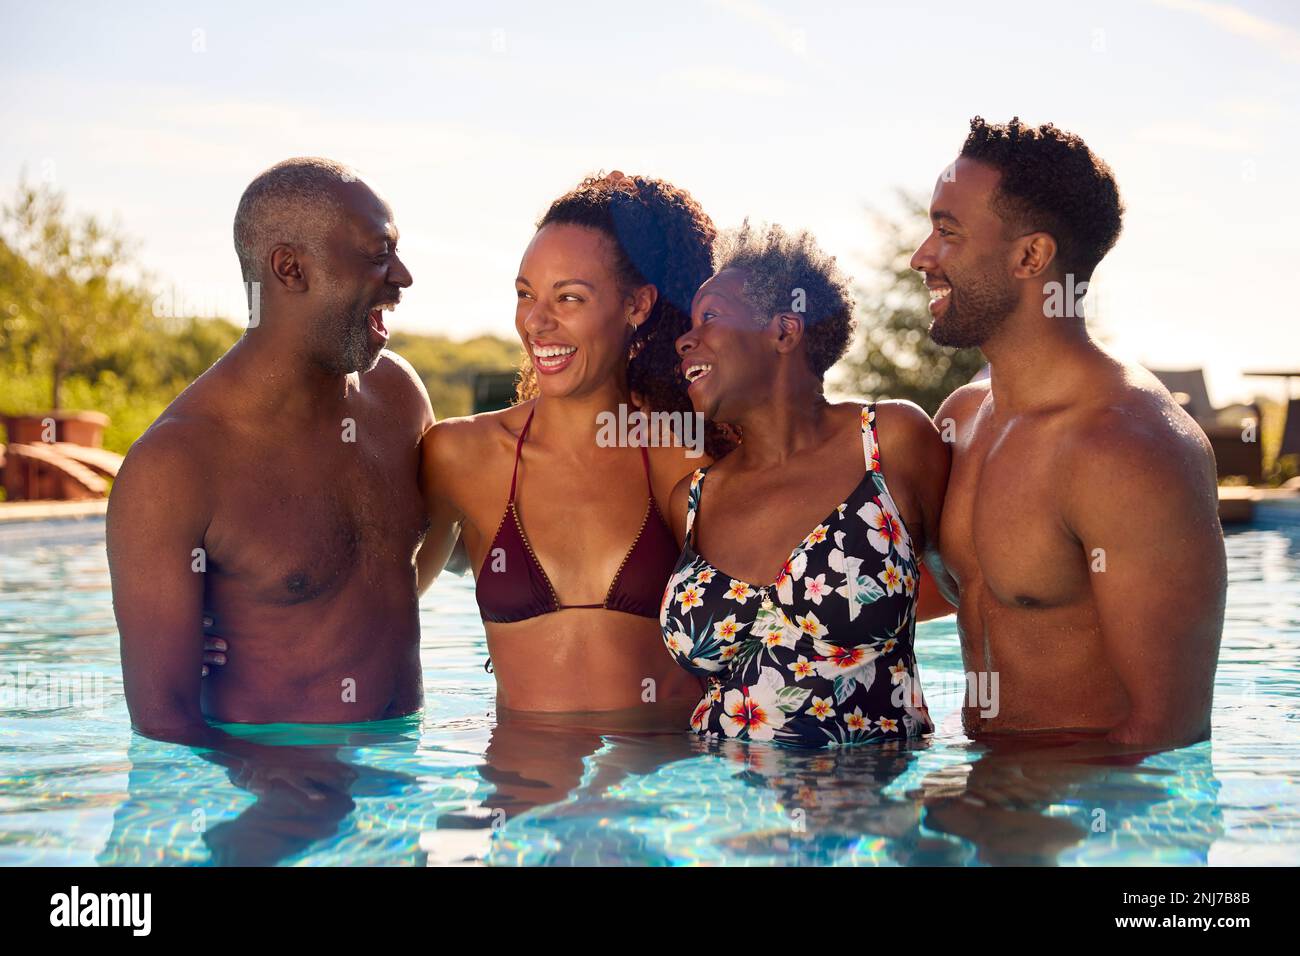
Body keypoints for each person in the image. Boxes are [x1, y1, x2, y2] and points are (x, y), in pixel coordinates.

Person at [107, 158, 431, 771]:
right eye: (377, 254)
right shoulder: (176, 466)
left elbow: (400, 563)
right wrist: (282, 788)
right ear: (291, 268)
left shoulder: (400, 397)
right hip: (271, 795)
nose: (403, 277)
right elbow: (163, 722)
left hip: (406, 773)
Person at [913, 117, 1226, 749]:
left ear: (1032, 255)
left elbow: (1167, 730)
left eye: (947, 231)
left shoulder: (1128, 448)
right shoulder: (962, 417)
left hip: (1078, 822)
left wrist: (1031, 822)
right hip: (981, 791)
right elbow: (902, 600)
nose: (922, 255)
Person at [417, 173, 720, 731]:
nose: (536, 322)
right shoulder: (461, 454)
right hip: (519, 792)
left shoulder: (684, 453)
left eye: (569, 297)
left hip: (667, 798)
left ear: (638, 305)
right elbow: (388, 599)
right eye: (526, 294)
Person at [661, 222, 950, 747]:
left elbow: (972, 589)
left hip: (869, 808)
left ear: (784, 331)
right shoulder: (694, 499)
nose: (686, 339)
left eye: (710, 317)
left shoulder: (889, 444)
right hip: (712, 808)